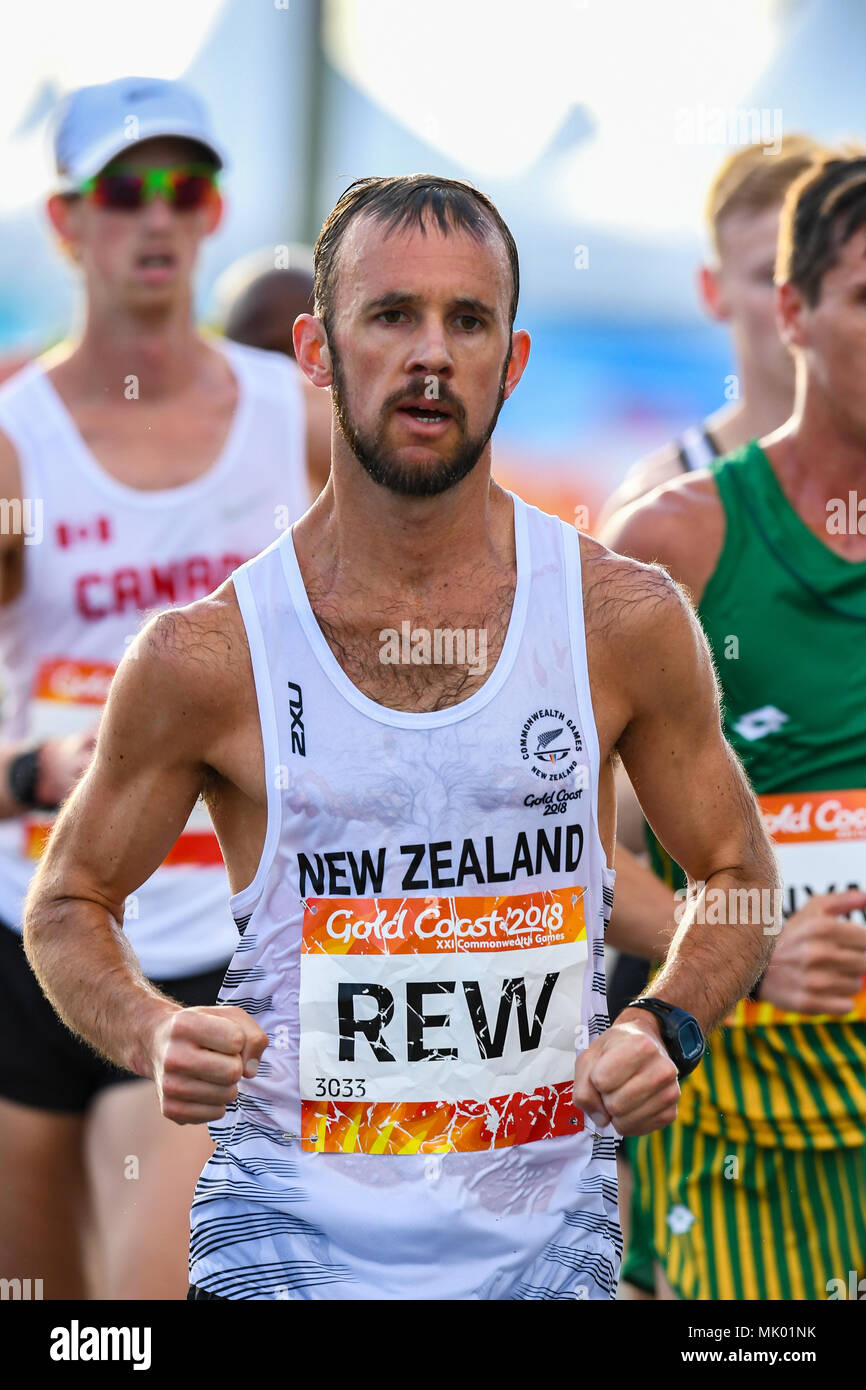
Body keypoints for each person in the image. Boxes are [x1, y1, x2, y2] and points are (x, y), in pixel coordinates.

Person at [24, 174, 778, 1301]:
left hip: (543, 1259)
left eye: (465, 321)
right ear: (315, 353)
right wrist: (153, 1030)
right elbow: (66, 901)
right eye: (390, 316)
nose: (431, 355)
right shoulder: (206, 655)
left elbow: (737, 872)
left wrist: (666, 1022)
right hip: (286, 1253)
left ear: (510, 361)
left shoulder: (618, 619)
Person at [0, 75, 326, 1300]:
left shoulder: (291, 424)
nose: (156, 217)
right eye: (122, 192)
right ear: (66, 223)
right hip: (35, 931)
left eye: (182, 190)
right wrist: (32, 772)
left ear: (211, 214)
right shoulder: (15, 441)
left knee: (138, 1324)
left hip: (213, 943)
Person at [602, 150, 866, 1301]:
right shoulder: (671, 539)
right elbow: (555, 850)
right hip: (743, 1149)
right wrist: (748, 953)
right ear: (791, 312)